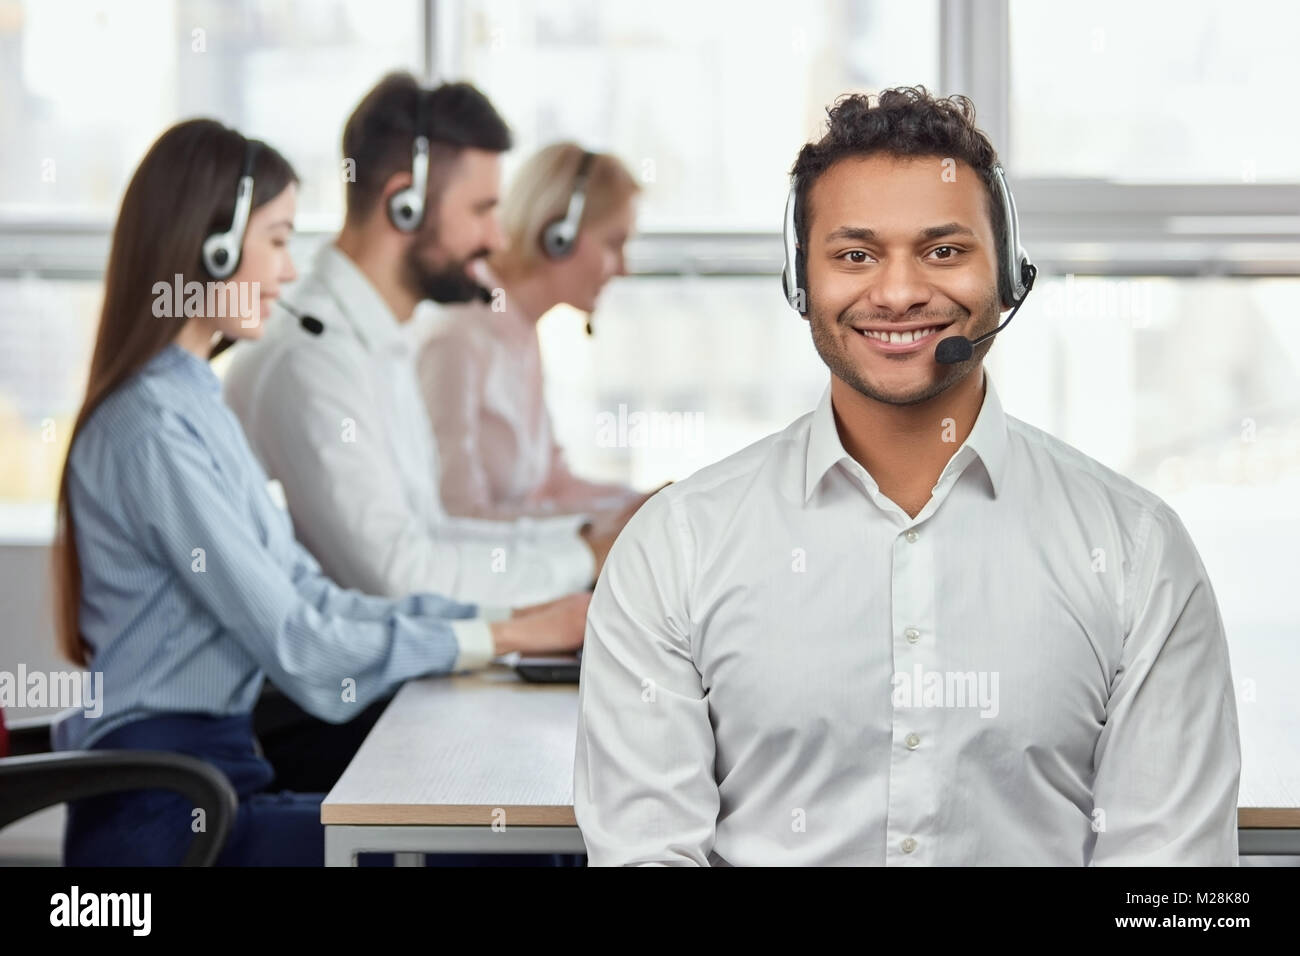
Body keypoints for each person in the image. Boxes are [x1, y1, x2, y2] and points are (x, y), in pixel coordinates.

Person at [574, 87, 1241, 866]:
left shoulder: (1136, 550)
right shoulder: (676, 548)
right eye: (855, 255)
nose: (896, 293)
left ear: (1010, 278)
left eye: (944, 251)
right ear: (800, 282)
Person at [51, 119, 588, 866]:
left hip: (220, 785)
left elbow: (318, 602)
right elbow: (301, 644)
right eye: (274, 240)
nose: (286, 270)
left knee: (526, 841)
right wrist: (510, 637)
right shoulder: (151, 430)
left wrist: (516, 616)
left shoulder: (196, 404)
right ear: (209, 249)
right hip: (168, 819)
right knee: (503, 855)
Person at [225, 76, 634, 615]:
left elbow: (434, 534)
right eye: (482, 210)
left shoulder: (383, 342)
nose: (499, 238)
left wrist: (585, 541)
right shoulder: (312, 360)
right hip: (326, 695)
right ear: (405, 207)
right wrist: (583, 559)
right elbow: (396, 576)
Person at [417, 142, 648, 520]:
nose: (624, 268)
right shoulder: (457, 336)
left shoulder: (520, 329)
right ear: (558, 236)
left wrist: (642, 505)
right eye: (614, 243)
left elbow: (553, 484)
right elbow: (459, 516)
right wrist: (597, 534)